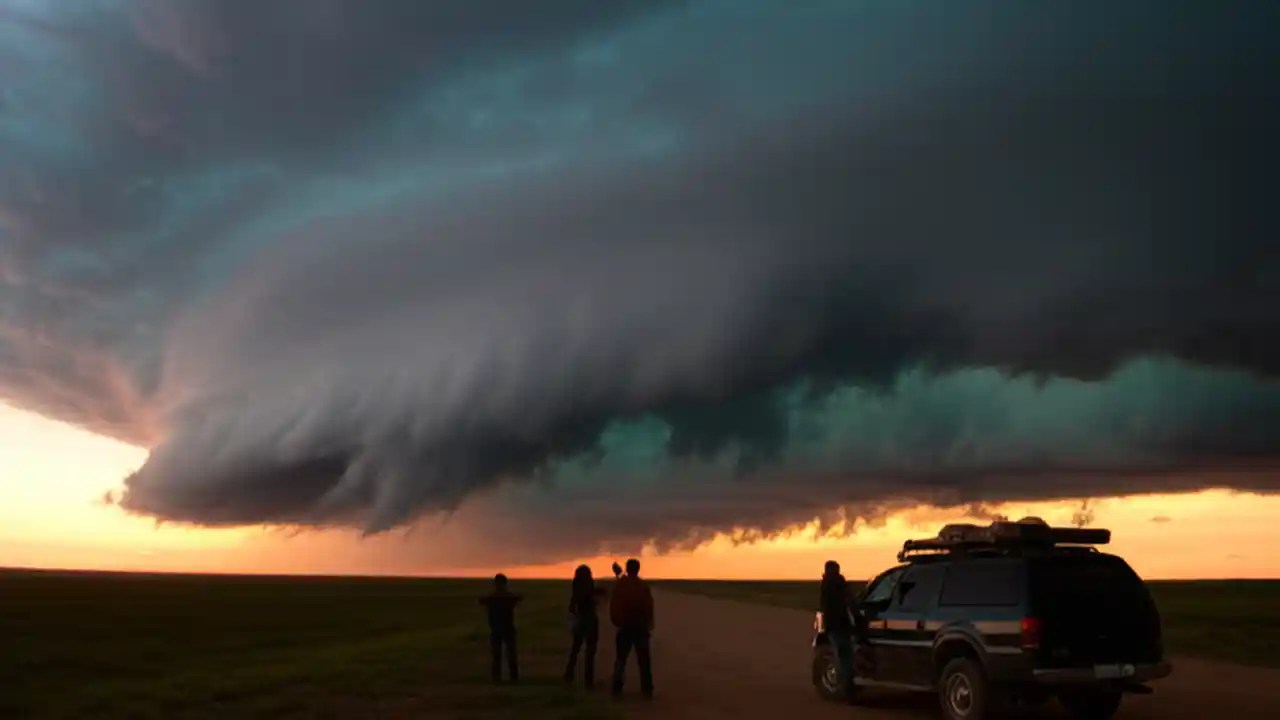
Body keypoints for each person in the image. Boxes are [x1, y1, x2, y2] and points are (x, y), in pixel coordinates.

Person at [609, 558, 654, 698]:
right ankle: (647, 690)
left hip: (625, 627)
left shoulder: (621, 585)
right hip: (640, 627)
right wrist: (649, 623)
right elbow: (649, 606)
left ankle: (617, 688)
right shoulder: (642, 586)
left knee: (621, 659)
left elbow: (614, 603)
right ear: (638, 569)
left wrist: (616, 621)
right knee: (644, 661)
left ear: (628, 569)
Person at [564, 564, 608, 687]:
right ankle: (588, 681)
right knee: (590, 652)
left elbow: (572, 607)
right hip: (590, 621)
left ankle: (569, 674)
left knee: (575, 649)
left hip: (580, 621)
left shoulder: (576, 588)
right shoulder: (589, 589)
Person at [820, 560, 856, 699]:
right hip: (842, 625)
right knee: (846, 656)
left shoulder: (826, 584)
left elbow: (825, 607)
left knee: (842, 656)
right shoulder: (840, 584)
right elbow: (850, 602)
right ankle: (848, 686)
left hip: (833, 626)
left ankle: (846, 687)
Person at [478, 573, 522, 683]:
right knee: (509, 654)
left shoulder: (492, 598)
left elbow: (481, 601)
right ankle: (513, 678)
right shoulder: (508, 597)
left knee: (498, 655)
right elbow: (519, 598)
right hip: (507, 628)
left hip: (497, 629)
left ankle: (498, 678)